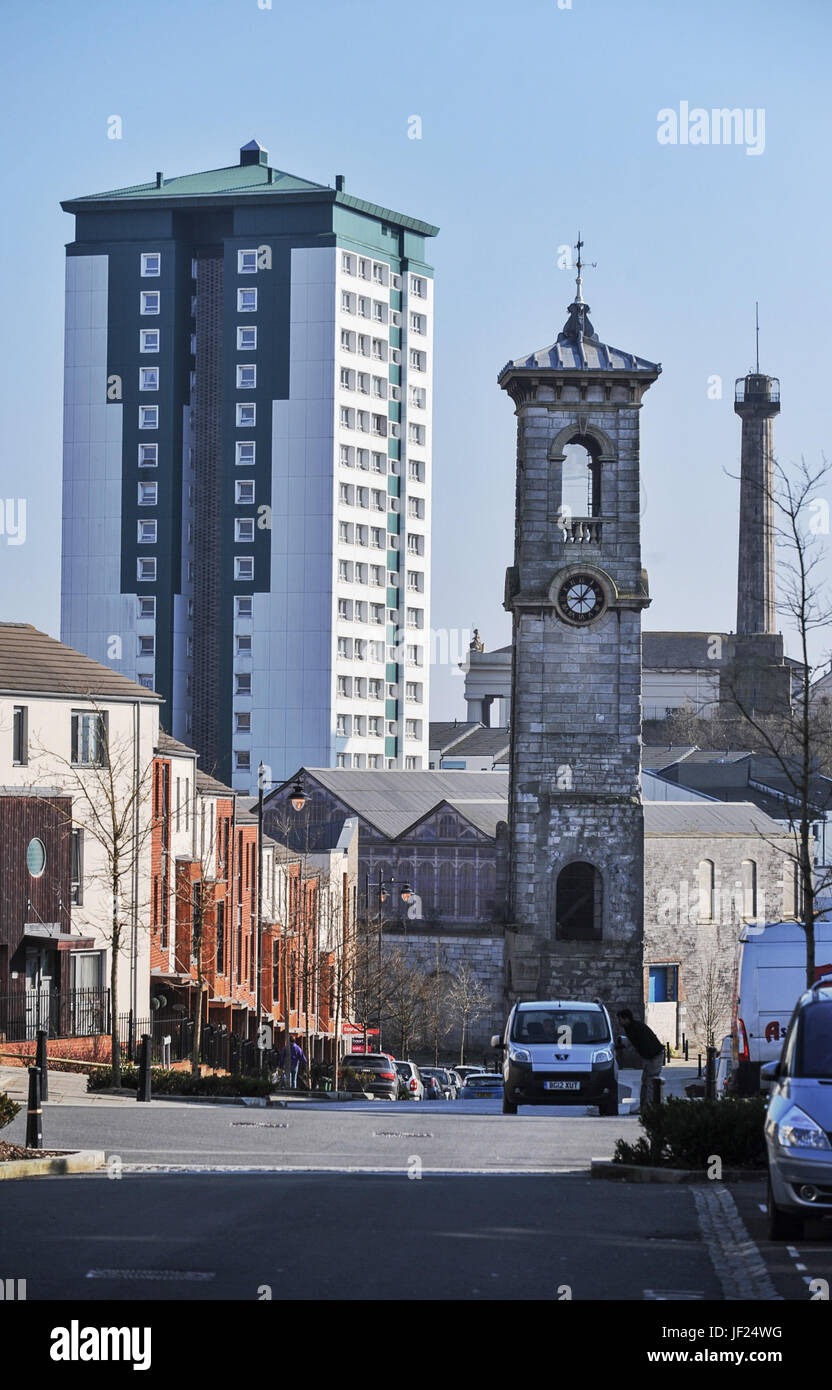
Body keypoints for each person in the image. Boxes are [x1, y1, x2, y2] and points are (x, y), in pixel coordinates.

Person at [616, 1009, 665, 1113]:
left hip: (654, 1056)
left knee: (650, 1082)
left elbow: (639, 1042)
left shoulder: (634, 1028)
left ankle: (649, 1107)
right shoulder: (631, 1027)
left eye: (620, 1019)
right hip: (650, 1057)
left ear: (626, 1018)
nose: (619, 1022)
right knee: (645, 1082)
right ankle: (644, 1106)